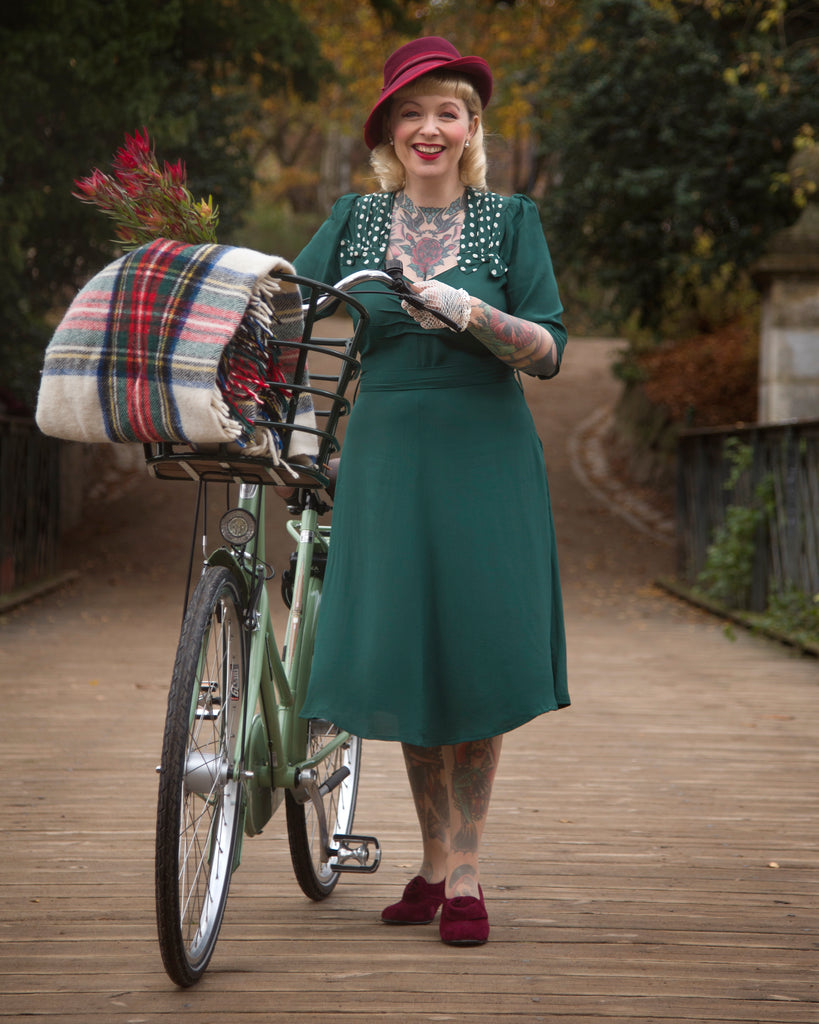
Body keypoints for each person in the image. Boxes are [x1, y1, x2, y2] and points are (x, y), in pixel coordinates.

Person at [293, 36, 569, 946]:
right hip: (386, 452)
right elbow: (290, 305)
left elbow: (549, 349)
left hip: (484, 449)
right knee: (412, 649)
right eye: (410, 112)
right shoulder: (352, 219)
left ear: (470, 127)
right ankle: (430, 860)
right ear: (387, 130)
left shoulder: (511, 219)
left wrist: (469, 311)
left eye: (446, 110)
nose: (429, 127)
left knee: (475, 649)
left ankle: (468, 870)